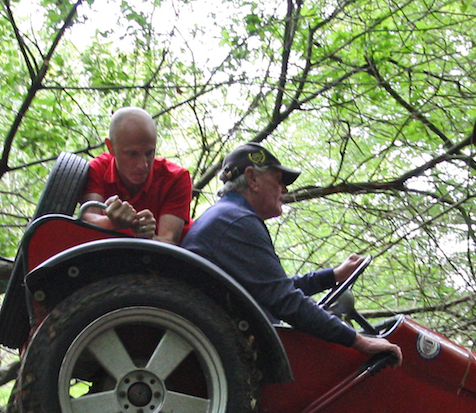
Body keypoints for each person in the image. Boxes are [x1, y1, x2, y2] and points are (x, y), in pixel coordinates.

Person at [183, 142, 402, 363]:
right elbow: (284, 300)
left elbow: (273, 288)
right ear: (252, 179)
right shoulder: (238, 222)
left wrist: (333, 276)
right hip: (212, 352)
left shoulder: (227, 216)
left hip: (208, 341)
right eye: (279, 180)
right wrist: (358, 341)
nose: (285, 190)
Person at [77, 106, 193, 244]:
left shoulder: (175, 178)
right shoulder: (98, 169)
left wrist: (148, 237)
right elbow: (87, 219)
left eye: (149, 153)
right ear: (110, 147)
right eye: (132, 154)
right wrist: (113, 223)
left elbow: (169, 241)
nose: (143, 165)